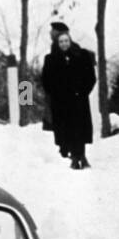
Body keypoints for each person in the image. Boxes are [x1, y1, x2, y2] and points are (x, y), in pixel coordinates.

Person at [41, 28, 97, 169]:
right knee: (67, 129)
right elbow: (45, 80)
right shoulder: (51, 59)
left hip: (79, 100)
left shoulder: (81, 55)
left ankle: (81, 156)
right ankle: (73, 157)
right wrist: (55, 94)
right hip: (60, 102)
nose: (64, 44)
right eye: (61, 41)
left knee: (80, 128)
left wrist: (83, 92)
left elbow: (90, 77)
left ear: (70, 41)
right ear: (57, 43)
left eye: (66, 41)